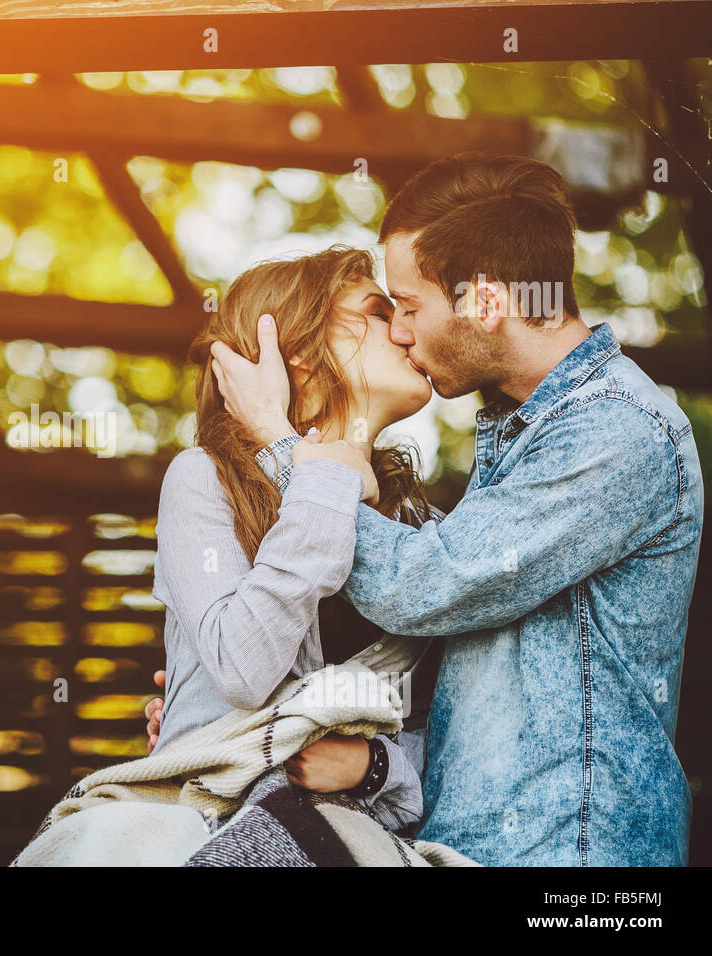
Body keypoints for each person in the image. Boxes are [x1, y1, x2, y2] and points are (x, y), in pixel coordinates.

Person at [149, 152, 703, 866]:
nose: (403, 331)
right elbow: (438, 716)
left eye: (405, 307)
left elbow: (421, 592)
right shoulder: (492, 460)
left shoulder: (610, 431)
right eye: (383, 312)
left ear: (489, 304)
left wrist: (289, 452)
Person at [152, 243, 440, 835]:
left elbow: (454, 748)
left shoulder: (424, 532)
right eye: (380, 312)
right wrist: (326, 478)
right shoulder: (202, 479)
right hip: (208, 833)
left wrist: (374, 766)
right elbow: (242, 669)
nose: (409, 332)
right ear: (299, 355)